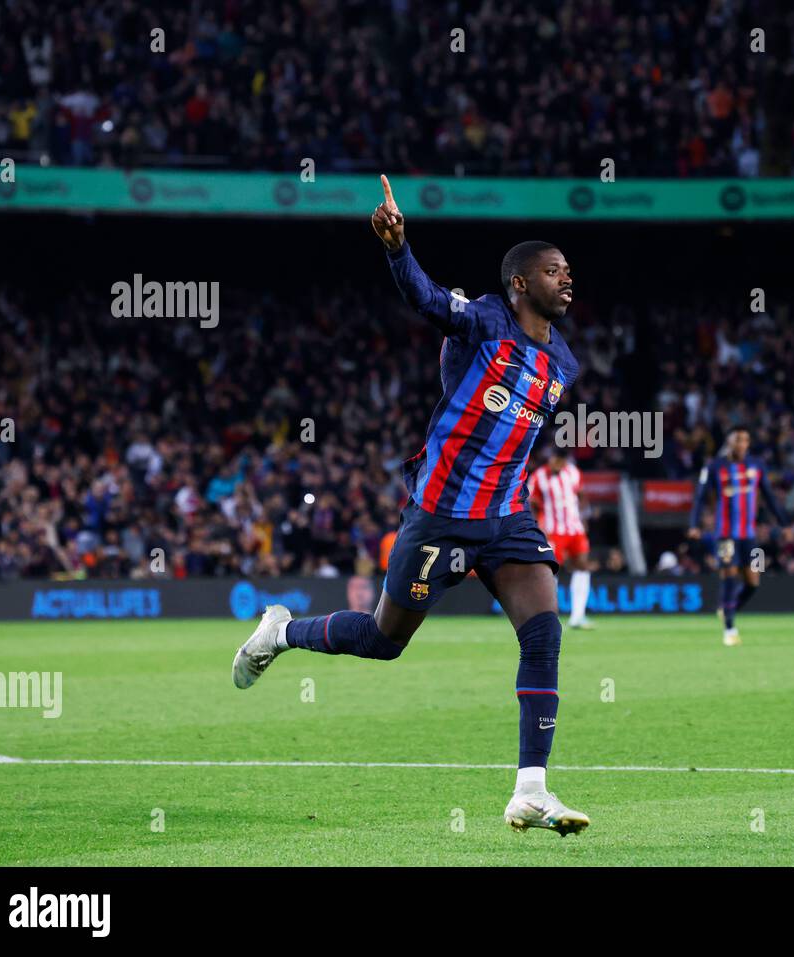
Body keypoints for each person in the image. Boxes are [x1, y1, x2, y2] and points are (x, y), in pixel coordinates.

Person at [232, 175, 588, 835]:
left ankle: (530, 791)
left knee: (544, 632)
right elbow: (426, 299)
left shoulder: (563, 359)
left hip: (508, 516)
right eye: (552, 270)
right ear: (520, 282)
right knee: (383, 638)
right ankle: (280, 631)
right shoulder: (483, 318)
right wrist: (399, 248)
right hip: (443, 513)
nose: (567, 279)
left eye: (568, 270)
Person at [687, 428, 786, 645]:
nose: (742, 444)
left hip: (750, 536)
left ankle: (727, 609)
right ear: (729, 442)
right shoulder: (714, 466)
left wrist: (784, 522)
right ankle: (729, 630)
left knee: (754, 581)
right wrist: (694, 524)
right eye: (738, 440)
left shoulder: (757, 465)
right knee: (729, 574)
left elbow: (769, 496)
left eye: (746, 440)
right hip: (723, 535)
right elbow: (700, 498)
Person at [528, 448, 594, 629]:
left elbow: (581, 496)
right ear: (551, 458)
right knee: (550, 570)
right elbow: (531, 502)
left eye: (562, 461)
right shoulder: (538, 476)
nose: (558, 464)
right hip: (552, 530)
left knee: (582, 566)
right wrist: (536, 526)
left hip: (574, 528)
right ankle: (547, 615)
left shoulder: (573, 473)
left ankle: (578, 616)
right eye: (556, 460)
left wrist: (584, 519)